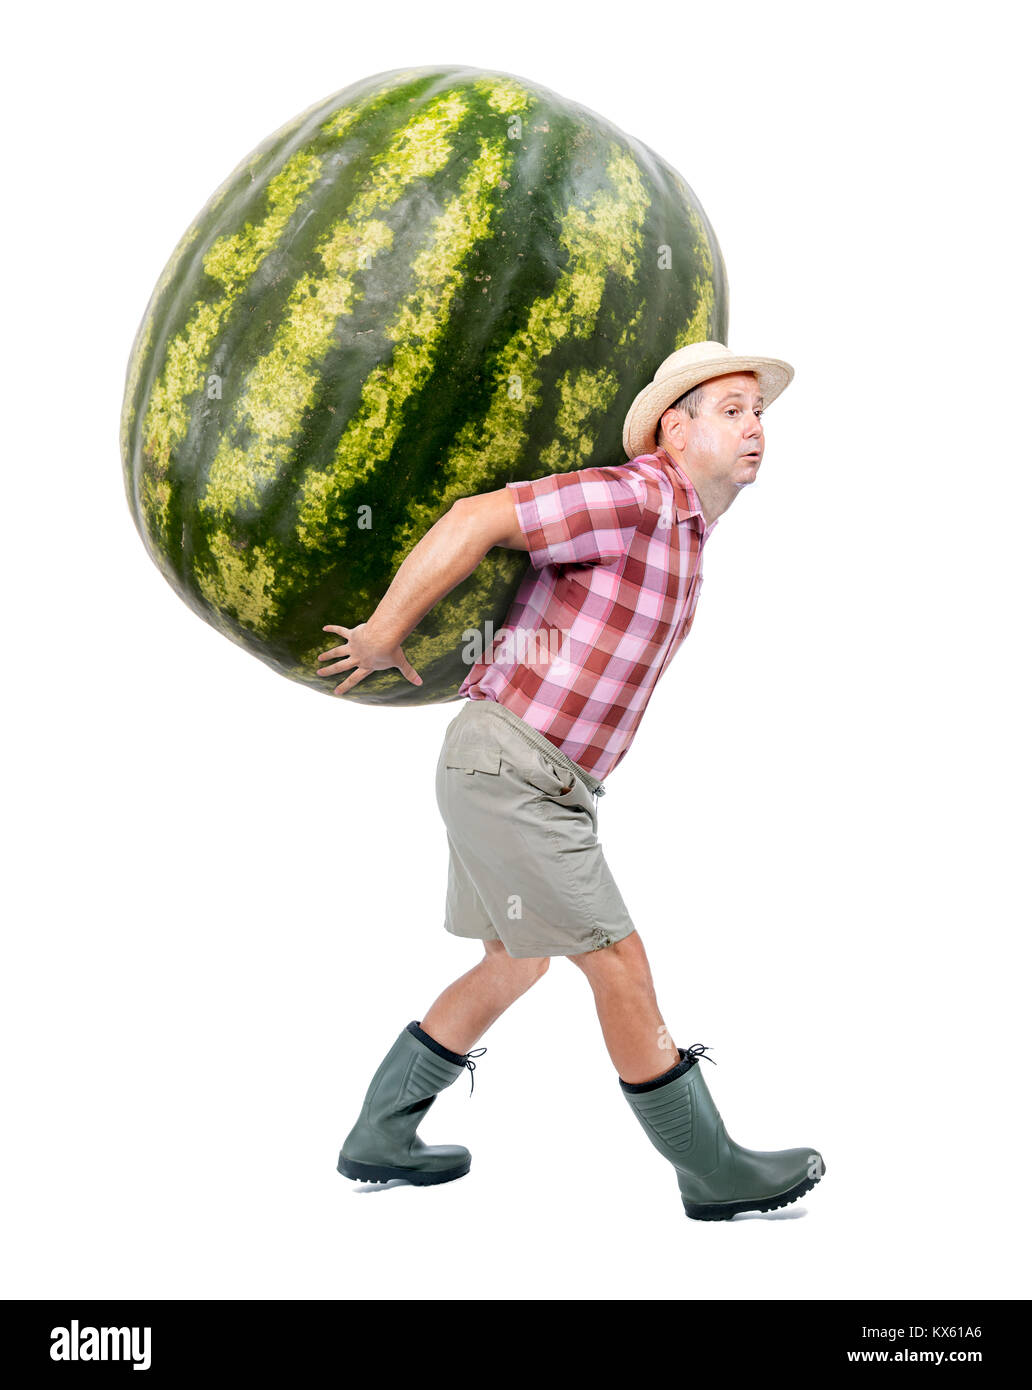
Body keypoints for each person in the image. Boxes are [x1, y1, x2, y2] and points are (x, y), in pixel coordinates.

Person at [317, 340, 826, 1221]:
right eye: (734, 410)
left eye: (761, 414)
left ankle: (381, 1134)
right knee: (617, 959)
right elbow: (481, 516)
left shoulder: (685, 531)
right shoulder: (635, 497)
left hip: (528, 775)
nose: (756, 430)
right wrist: (383, 630)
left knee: (517, 964)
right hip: (511, 768)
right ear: (676, 428)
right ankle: (708, 1169)